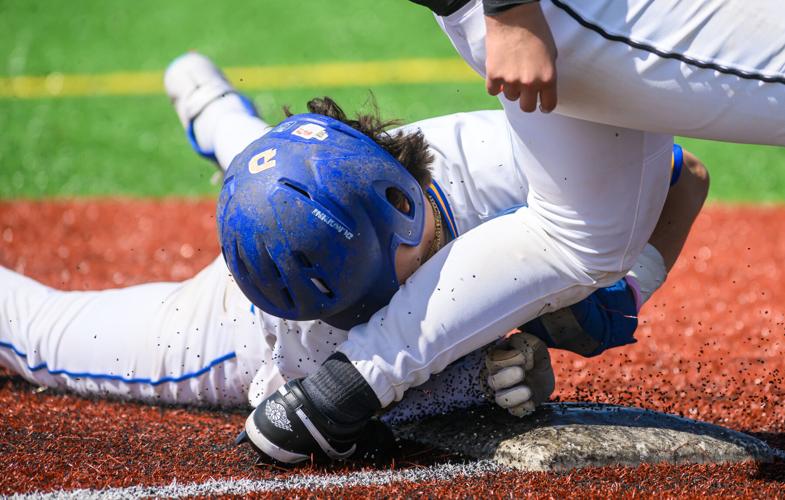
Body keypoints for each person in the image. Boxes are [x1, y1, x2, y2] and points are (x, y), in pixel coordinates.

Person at [0, 54, 707, 434]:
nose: (377, 308)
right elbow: (331, 397)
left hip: (299, 220)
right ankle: (219, 118)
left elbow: (684, 174)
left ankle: (215, 112)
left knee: (592, 316)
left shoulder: (505, 161)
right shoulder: (303, 324)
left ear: (404, 199)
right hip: (240, 319)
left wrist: (623, 284)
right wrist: (487, 372)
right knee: (41, 341)